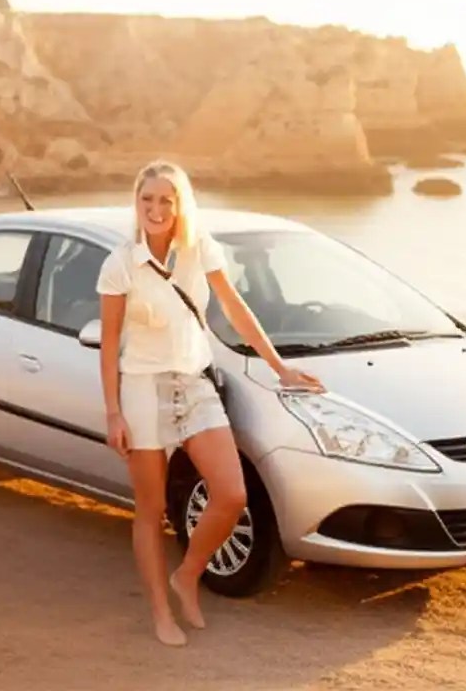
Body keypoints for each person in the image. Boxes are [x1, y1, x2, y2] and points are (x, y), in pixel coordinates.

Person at [95, 160, 324, 647]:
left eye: (165, 200)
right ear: (136, 205)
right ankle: (161, 613)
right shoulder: (119, 264)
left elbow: (237, 310)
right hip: (141, 387)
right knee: (151, 508)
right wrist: (113, 412)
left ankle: (188, 574)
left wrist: (280, 367)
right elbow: (110, 340)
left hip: (195, 382)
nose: (155, 209)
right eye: (147, 200)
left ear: (180, 206)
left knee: (231, 494)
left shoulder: (201, 250)